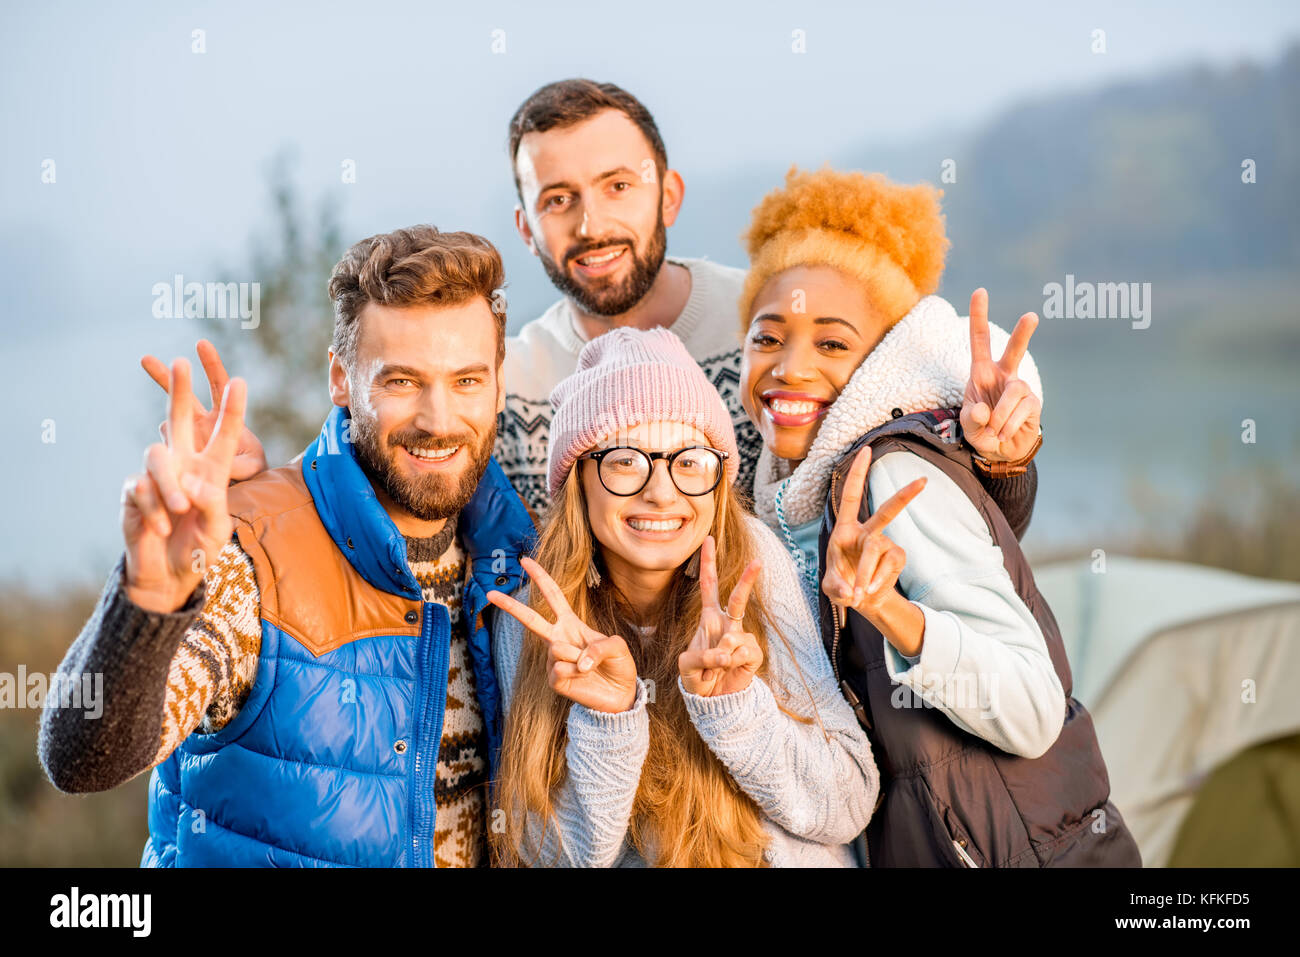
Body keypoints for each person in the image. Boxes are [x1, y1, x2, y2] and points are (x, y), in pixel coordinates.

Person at [38, 226, 538, 867]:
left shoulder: (523, 561)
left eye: (466, 380)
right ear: (341, 378)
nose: (439, 420)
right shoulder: (247, 558)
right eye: (402, 381)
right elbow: (84, 760)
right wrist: (150, 595)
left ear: (499, 383)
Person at [738, 166, 1142, 866]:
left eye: (832, 343)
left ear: (882, 365)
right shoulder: (782, 492)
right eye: (767, 338)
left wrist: (892, 614)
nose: (789, 367)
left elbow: (1032, 708)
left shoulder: (892, 478)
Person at [496, 79, 1043, 514]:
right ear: (526, 228)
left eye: (618, 186)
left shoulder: (787, 326)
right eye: (558, 199)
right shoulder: (504, 386)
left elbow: (946, 514)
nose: (591, 225)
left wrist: (1002, 462)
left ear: (668, 197)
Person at [485, 326, 883, 867]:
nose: (661, 491)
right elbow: (548, 856)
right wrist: (608, 721)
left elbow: (848, 806)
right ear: (578, 480)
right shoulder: (538, 617)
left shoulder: (756, 565)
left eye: (690, 460)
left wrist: (737, 710)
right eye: (625, 460)